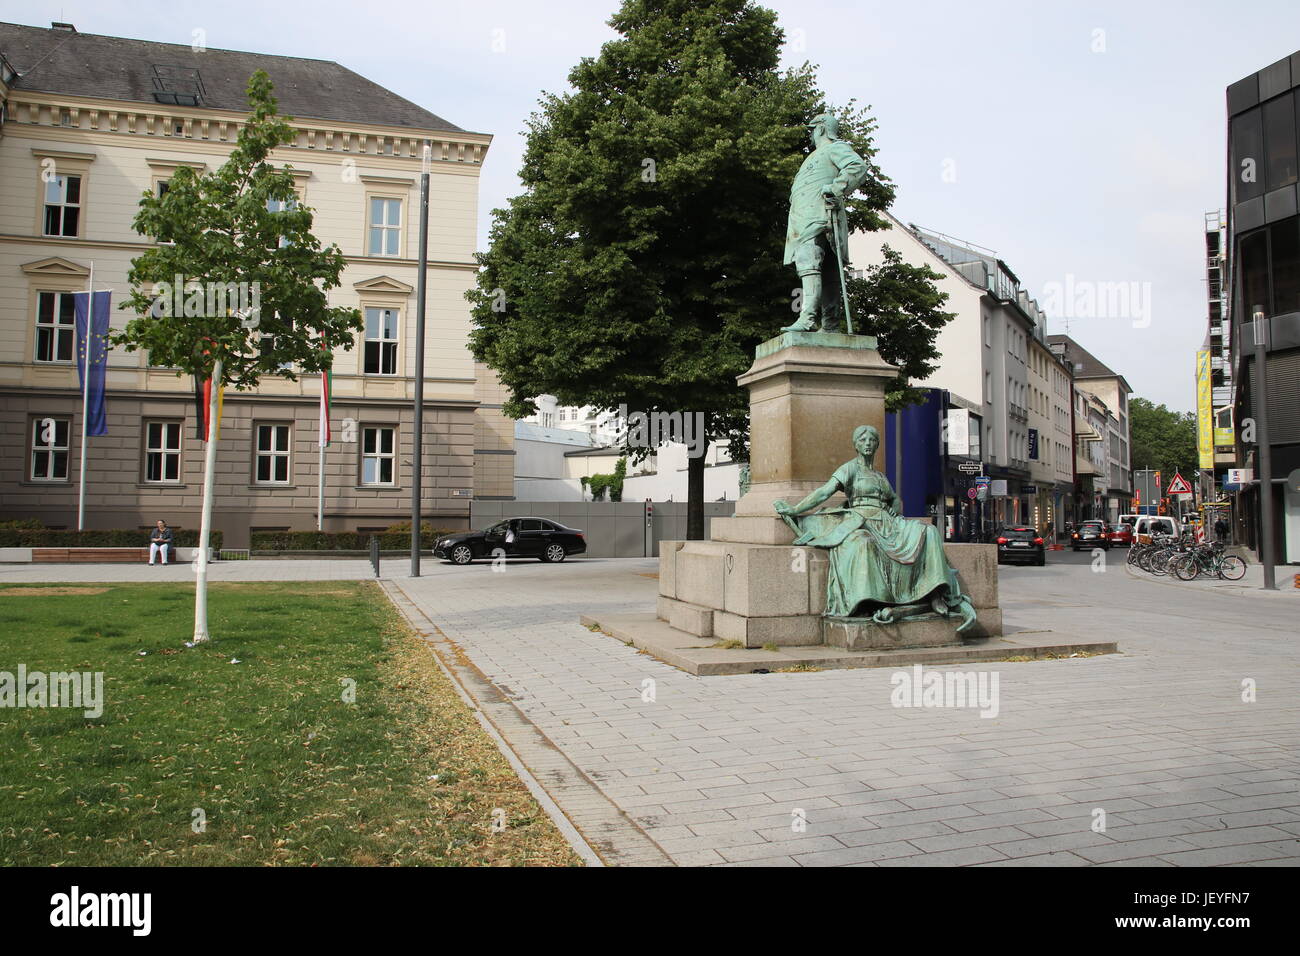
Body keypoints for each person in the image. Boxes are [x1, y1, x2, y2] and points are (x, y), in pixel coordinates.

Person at [774, 425, 978, 630]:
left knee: (929, 531)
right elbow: (823, 492)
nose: (868, 444)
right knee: (864, 543)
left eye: (872, 440)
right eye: (862, 440)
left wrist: (894, 508)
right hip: (861, 519)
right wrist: (796, 509)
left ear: (877, 444)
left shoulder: (880, 476)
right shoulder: (849, 469)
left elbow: (895, 499)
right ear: (855, 445)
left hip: (887, 523)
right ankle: (871, 601)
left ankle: (934, 593)